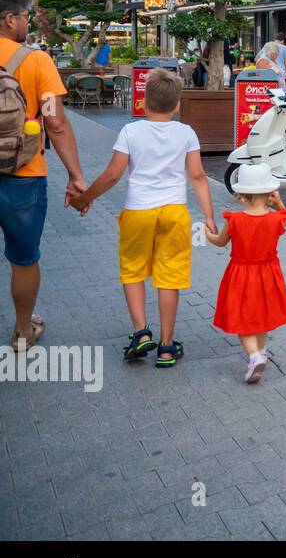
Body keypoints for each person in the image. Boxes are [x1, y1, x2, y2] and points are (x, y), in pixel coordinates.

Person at [70, 69, 217, 368]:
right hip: (174, 212)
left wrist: (85, 199)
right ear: (178, 105)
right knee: (169, 276)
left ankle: (140, 333)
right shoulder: (187, 133)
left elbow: (113, 175)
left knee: (133, 270)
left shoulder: (130, 132)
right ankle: (165, 346)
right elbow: (198, 176)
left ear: (144, 104)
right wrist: (209, 216)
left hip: (138, 211)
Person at [0, 0, 88, 351]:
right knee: (23, 258)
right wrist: (76, 176)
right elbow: (56, 123)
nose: (27, 23)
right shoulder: (36, 61)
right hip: (23, 174)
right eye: (25, 17)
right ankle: (23, 331)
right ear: (10, 20)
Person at [205, 164, 286, 384]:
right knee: (262, 316)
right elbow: (285, 216)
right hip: (268, 274)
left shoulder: (235, 219)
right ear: (268, 193)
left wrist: (208, 235)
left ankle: (254, 356)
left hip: (241, 274)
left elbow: (221, 242)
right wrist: (278, 200)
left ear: (241, 195)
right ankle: (261, 353)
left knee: (242, 318)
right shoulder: (274, 220)